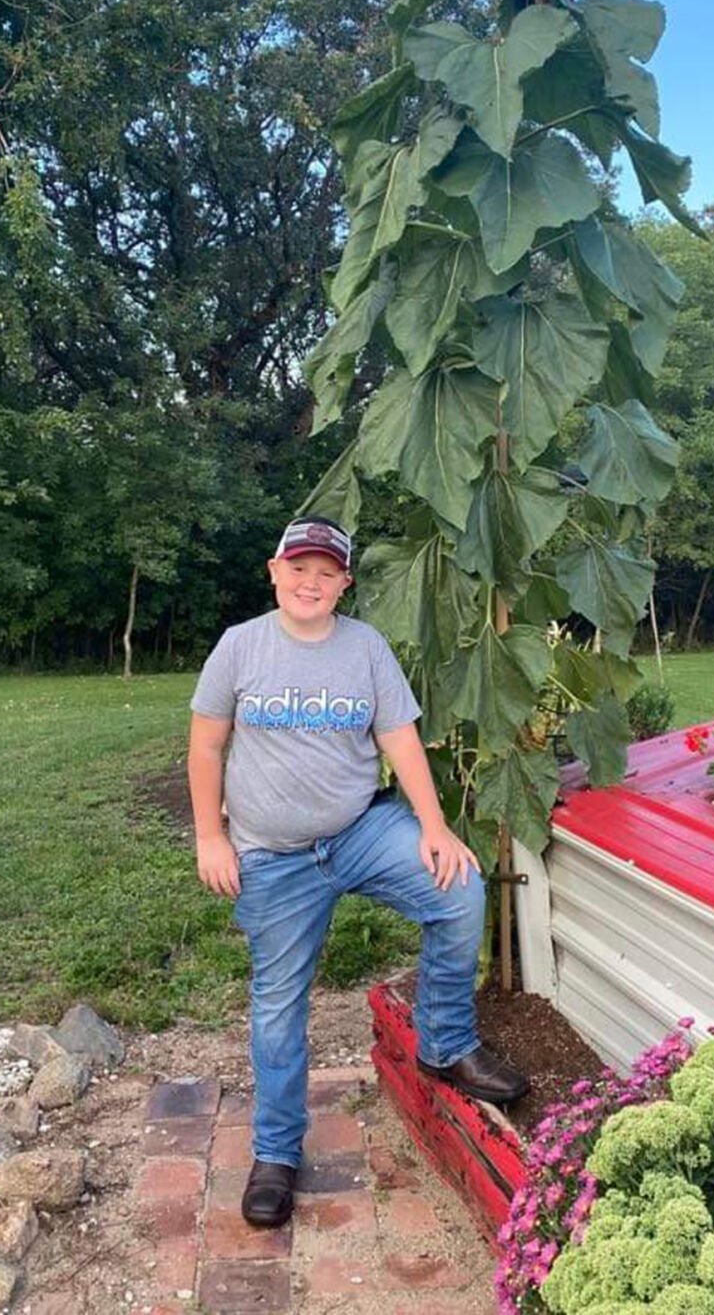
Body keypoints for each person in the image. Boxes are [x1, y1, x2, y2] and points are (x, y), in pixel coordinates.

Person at [187, 515, 529, 1228]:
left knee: (458, 887)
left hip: (357, 829)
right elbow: (206, 746)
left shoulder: (364, 647)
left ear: (344, 582)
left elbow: (398, 737)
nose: (310, 581)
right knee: (278, 1002)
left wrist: (434, 827)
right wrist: (210, 835)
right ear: (272, 570)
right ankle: (277, 1152)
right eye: (298, 567)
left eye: (326, 571)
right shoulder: (239, 648)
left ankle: (445, 1043)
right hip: (273, 856)